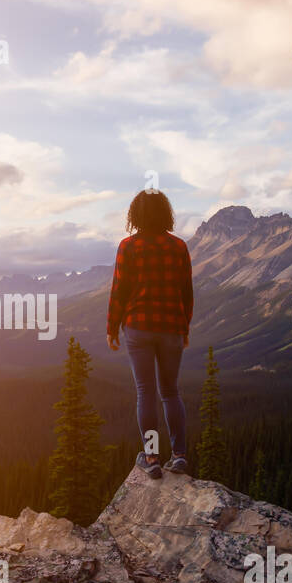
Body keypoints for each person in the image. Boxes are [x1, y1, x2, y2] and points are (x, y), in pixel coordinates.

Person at [106, 189, 193, 479]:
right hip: (171, 327)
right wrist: (185, 327)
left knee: (145, 391)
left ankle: (152, 457)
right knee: (170, 391)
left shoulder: (128, 247)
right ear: (165, 213)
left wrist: (112, 327)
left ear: (135, 215)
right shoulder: (178, 247)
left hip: (138, 326)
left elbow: (119, 291)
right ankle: (179, 455)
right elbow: (186, 292)